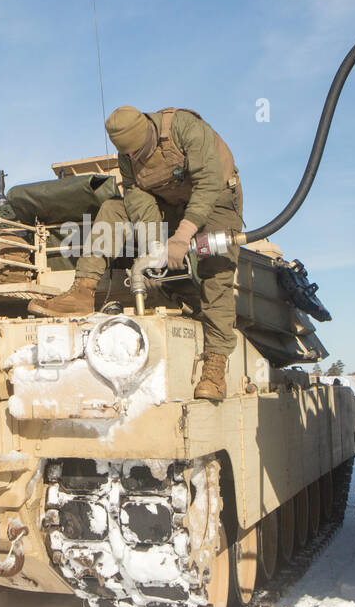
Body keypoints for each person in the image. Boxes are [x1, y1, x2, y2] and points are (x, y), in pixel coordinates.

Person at [28, 106, 242, 400]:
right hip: (169, 204)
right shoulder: (127, 156)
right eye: (127, 156)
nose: (132, 160)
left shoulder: (185, 128)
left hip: (217, 199)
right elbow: (137, 195)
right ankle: (82, 291)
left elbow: (207, 184)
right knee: (112, 209)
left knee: (216, 271)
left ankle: (215, 368)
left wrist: (181, 238)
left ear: (149, 134)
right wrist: (154, 243)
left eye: (136, 153)